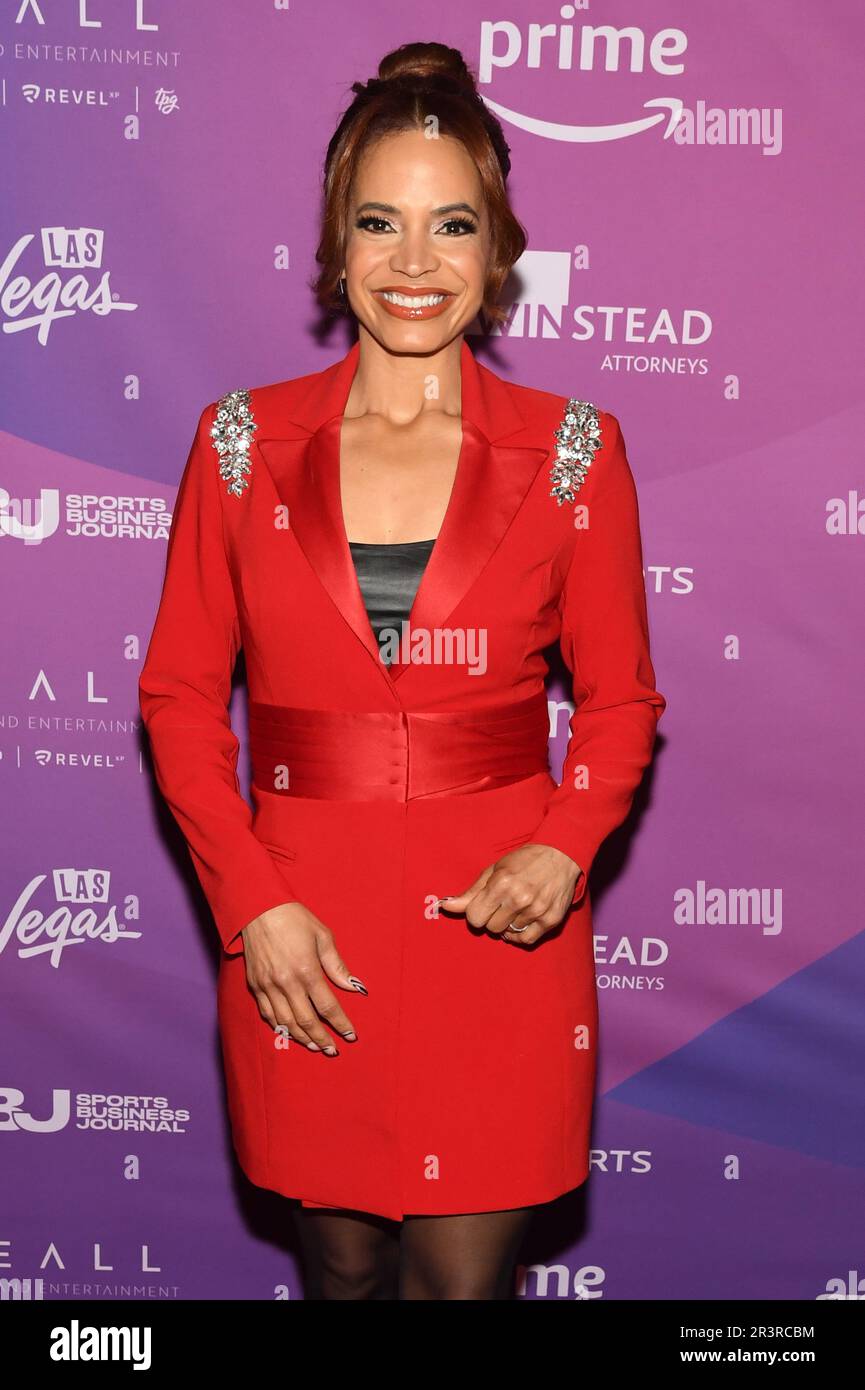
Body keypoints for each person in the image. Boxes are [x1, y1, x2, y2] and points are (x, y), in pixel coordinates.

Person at [138, 40, 667, 1300]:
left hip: (499, 928)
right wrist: (253, 907)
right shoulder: (237, 443)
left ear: (497, 252)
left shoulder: (576, 451)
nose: (414, 263)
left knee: (461, 1289)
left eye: (452, 226)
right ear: (337, 244)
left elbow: (621, 700)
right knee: (338, 1272)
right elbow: (178, 699)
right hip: (299, 930)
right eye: (380, 222)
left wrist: (563, 846)